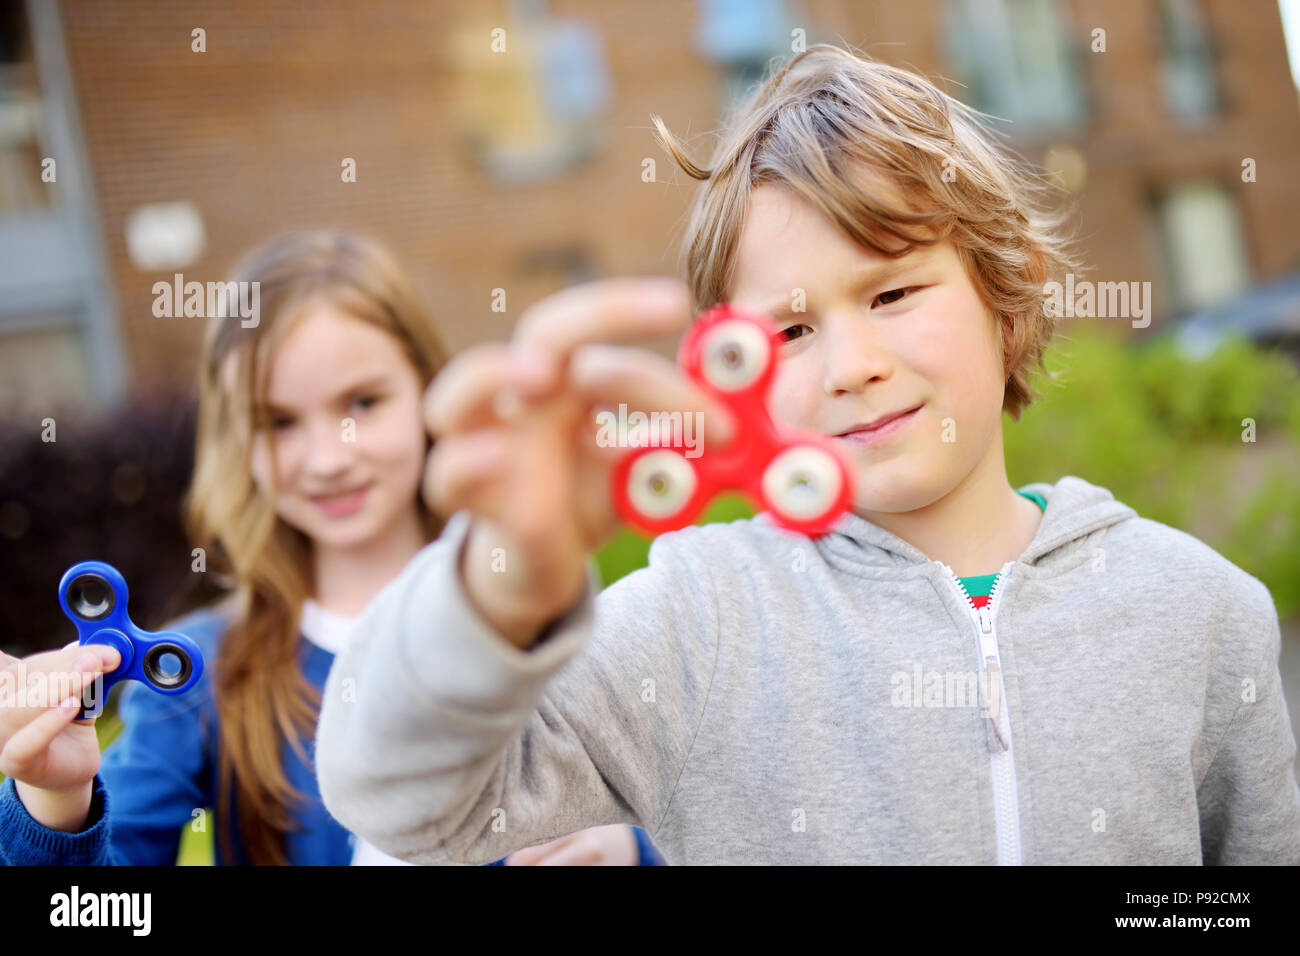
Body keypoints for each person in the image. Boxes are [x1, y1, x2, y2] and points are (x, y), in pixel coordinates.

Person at [312, 46, 1300, 865]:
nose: (851, 366)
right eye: (786, 332)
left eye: (892, 294)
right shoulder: (696, 624)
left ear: (1008, 296)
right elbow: (402, 803)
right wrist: (501, 582)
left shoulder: (1202, 612)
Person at [0, 229, 662, 866]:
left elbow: (687, 807)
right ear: (236, 439)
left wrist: (630, 849)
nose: (327, 458)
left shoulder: (541, 621)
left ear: (428, 389)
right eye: (279, 421)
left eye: (362, 403)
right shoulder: (194, 677)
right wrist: (57, 800)